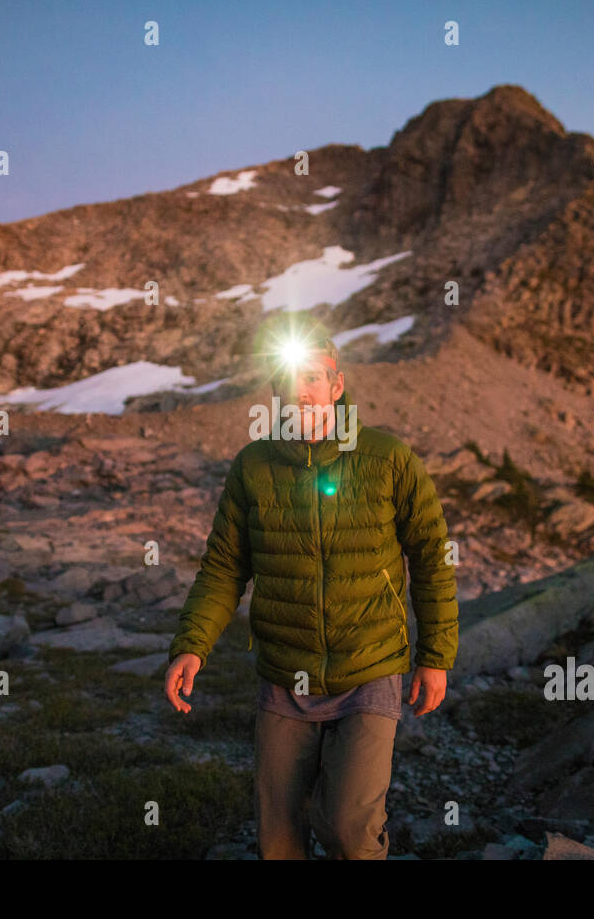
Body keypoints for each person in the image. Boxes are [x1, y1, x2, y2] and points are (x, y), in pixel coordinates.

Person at [163, 313, 459, 859]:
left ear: (336, 384)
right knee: (277, 837)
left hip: (369, 668)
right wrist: (192, 645)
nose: (301, 393)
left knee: (348, 827)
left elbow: (433, 559)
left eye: (312, 378)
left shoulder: (388, 458)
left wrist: (436, 655)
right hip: (284, 674)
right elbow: (225, 567)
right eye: (287, 380)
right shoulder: (253, 467)